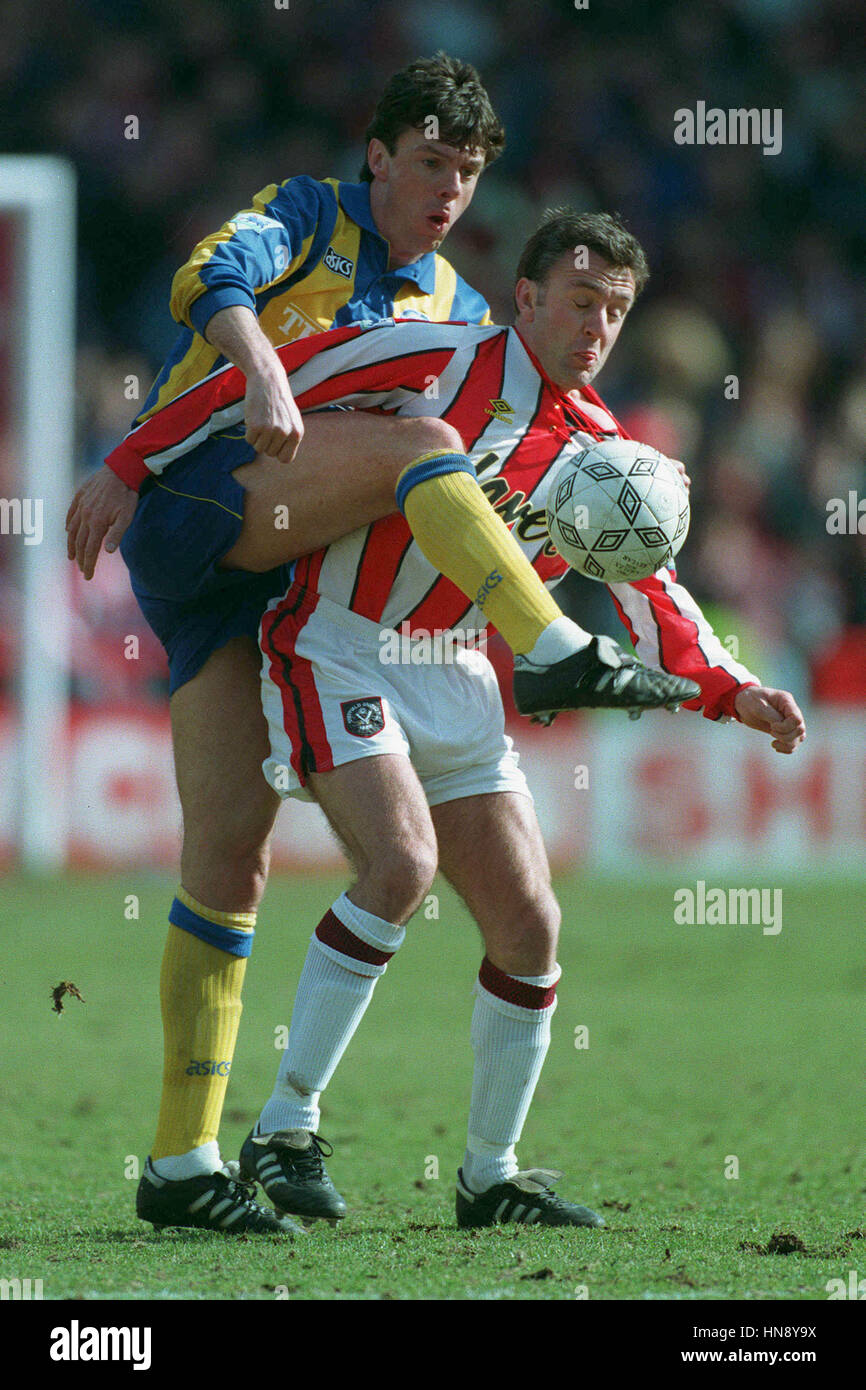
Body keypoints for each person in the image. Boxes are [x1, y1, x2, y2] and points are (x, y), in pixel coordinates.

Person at [69, 56, 689, 1237]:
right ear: (378, 157)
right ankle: (548, 649)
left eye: (466, 173)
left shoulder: (454, 304)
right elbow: (210, 279)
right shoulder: (308, 214)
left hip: (266, 588)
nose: (447, 190)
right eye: (430, 165)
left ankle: (180, 1164)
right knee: (414, 441)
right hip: (212, 501)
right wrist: (147, 444)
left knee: (226, 862)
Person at [119, 209, 806, 1230]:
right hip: (337, 640)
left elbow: (651, 593)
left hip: (456, 675)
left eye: (614, 310)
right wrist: (129, 463)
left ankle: (489, 1174)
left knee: (530, 924)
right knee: (395, 868)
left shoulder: (605, 452)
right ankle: (285, 1122)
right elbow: (251, 384)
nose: (595, 326)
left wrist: (728, 687)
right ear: (523, 297)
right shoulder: (429, 356)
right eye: (579, 301)